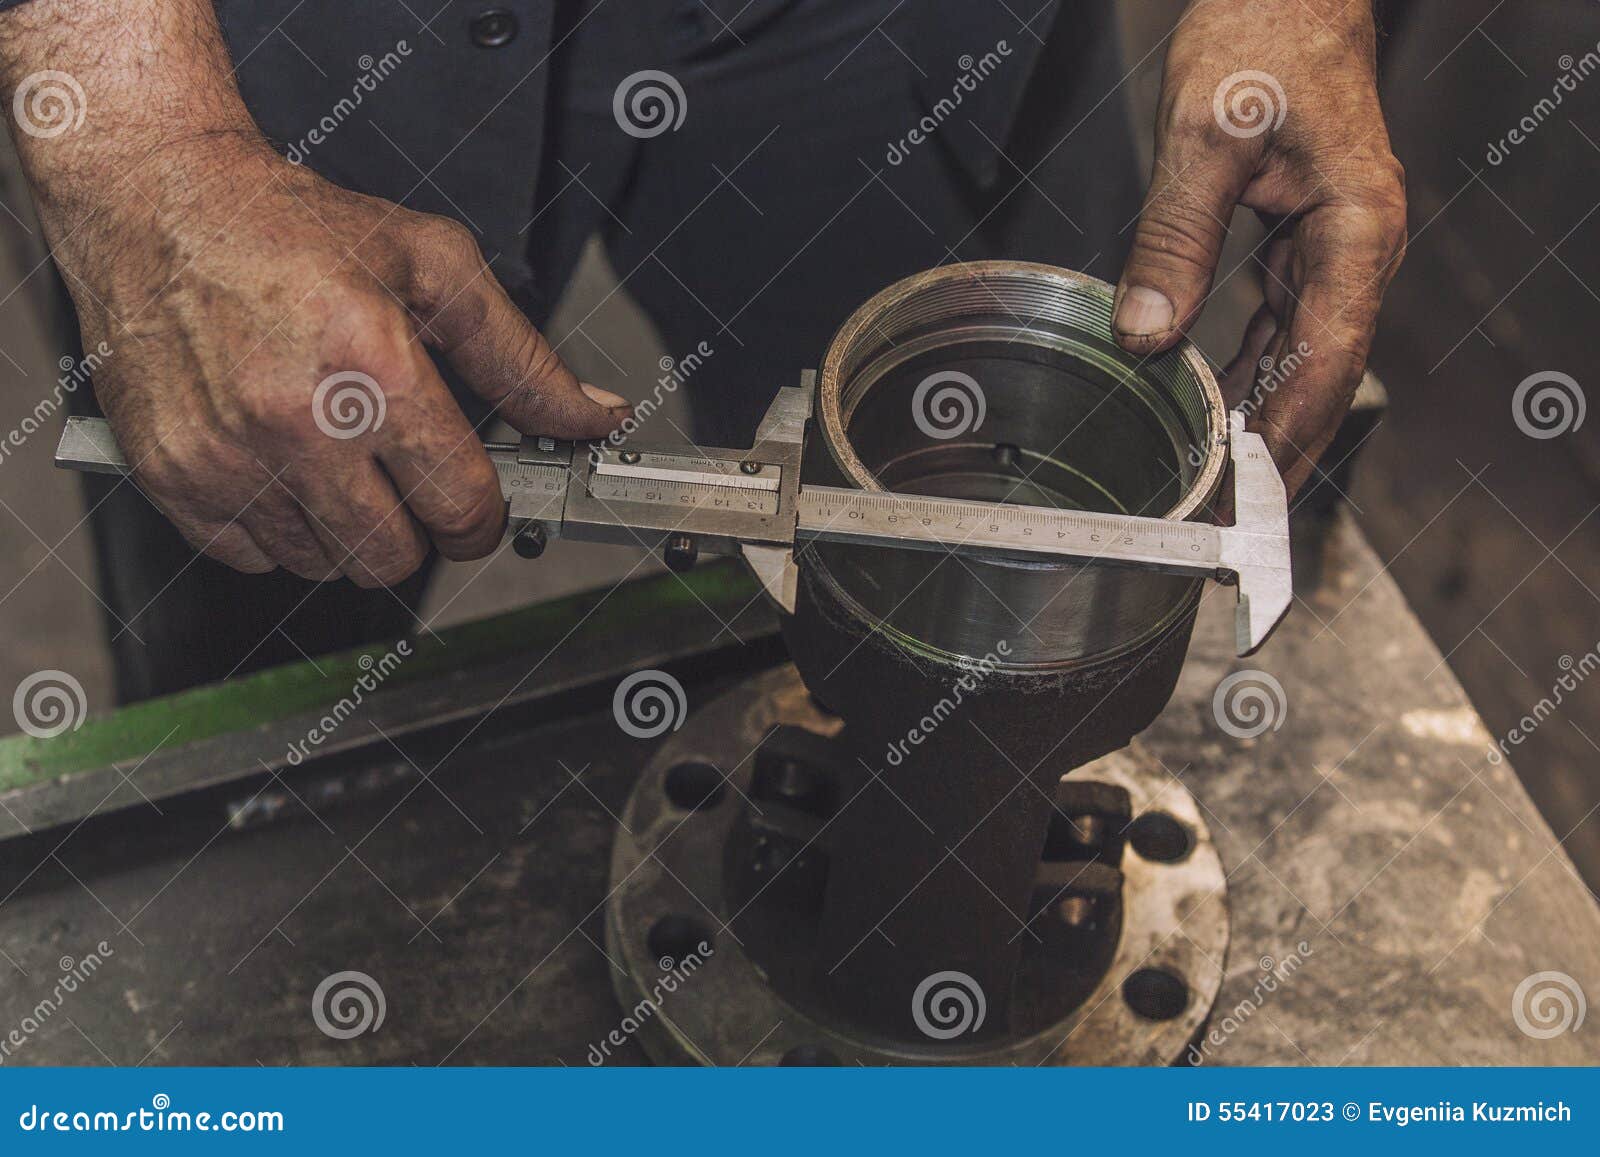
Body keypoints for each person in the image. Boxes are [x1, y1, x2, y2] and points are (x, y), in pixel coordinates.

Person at [0, 0, 1405, 699]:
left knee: (1009, 564)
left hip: (880, 32)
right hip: (308, 41)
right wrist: (140, 140)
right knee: (267, 620)